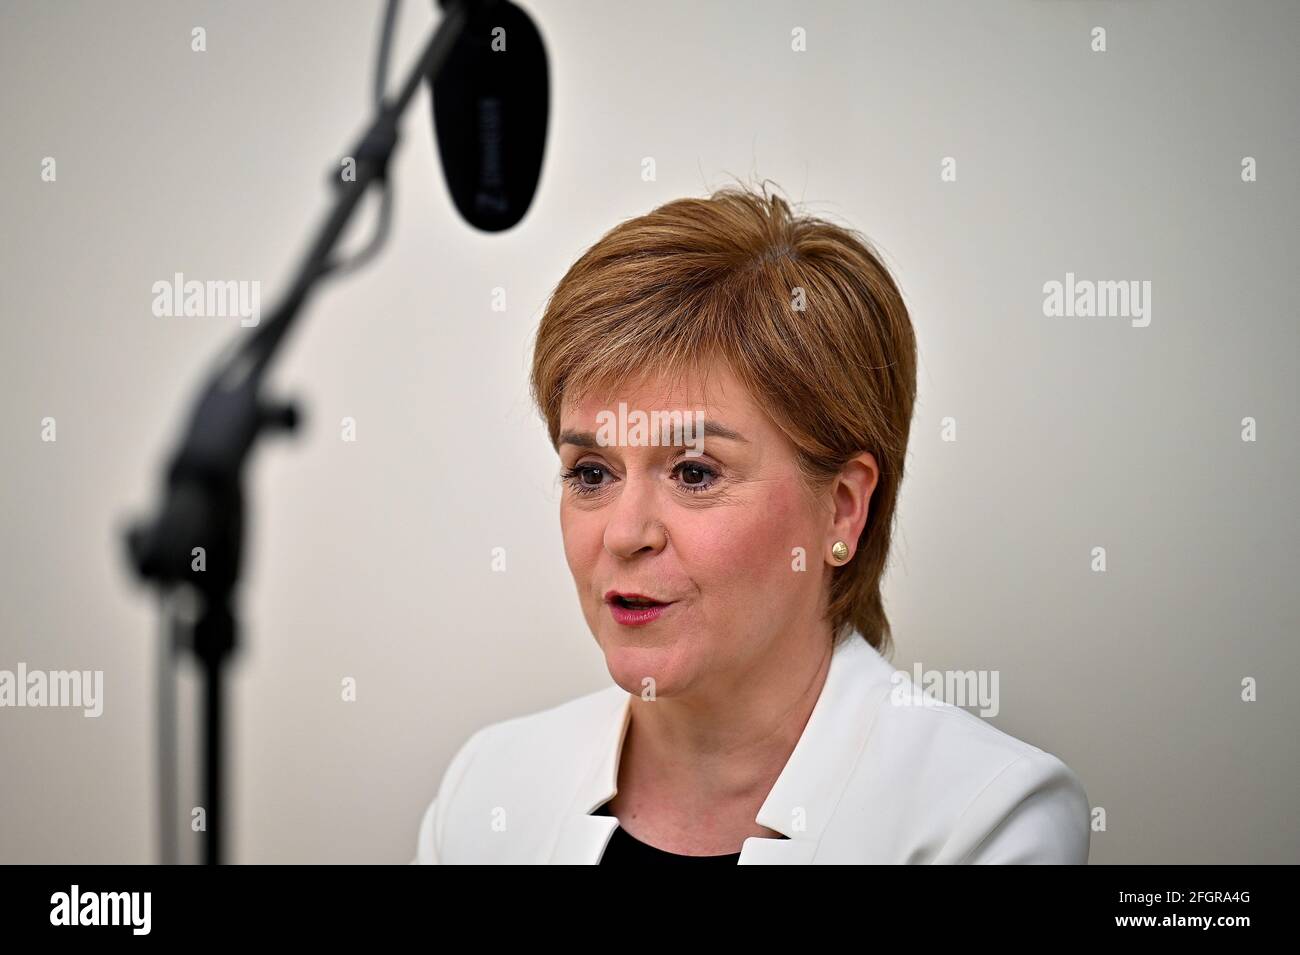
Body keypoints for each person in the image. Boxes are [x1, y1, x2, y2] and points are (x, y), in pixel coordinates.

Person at [413, 184, 1090, 864]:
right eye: (592, 473)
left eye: (694, 472)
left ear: (843, 507)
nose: (624, 534)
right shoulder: (488, 787)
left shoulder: (986, 819)